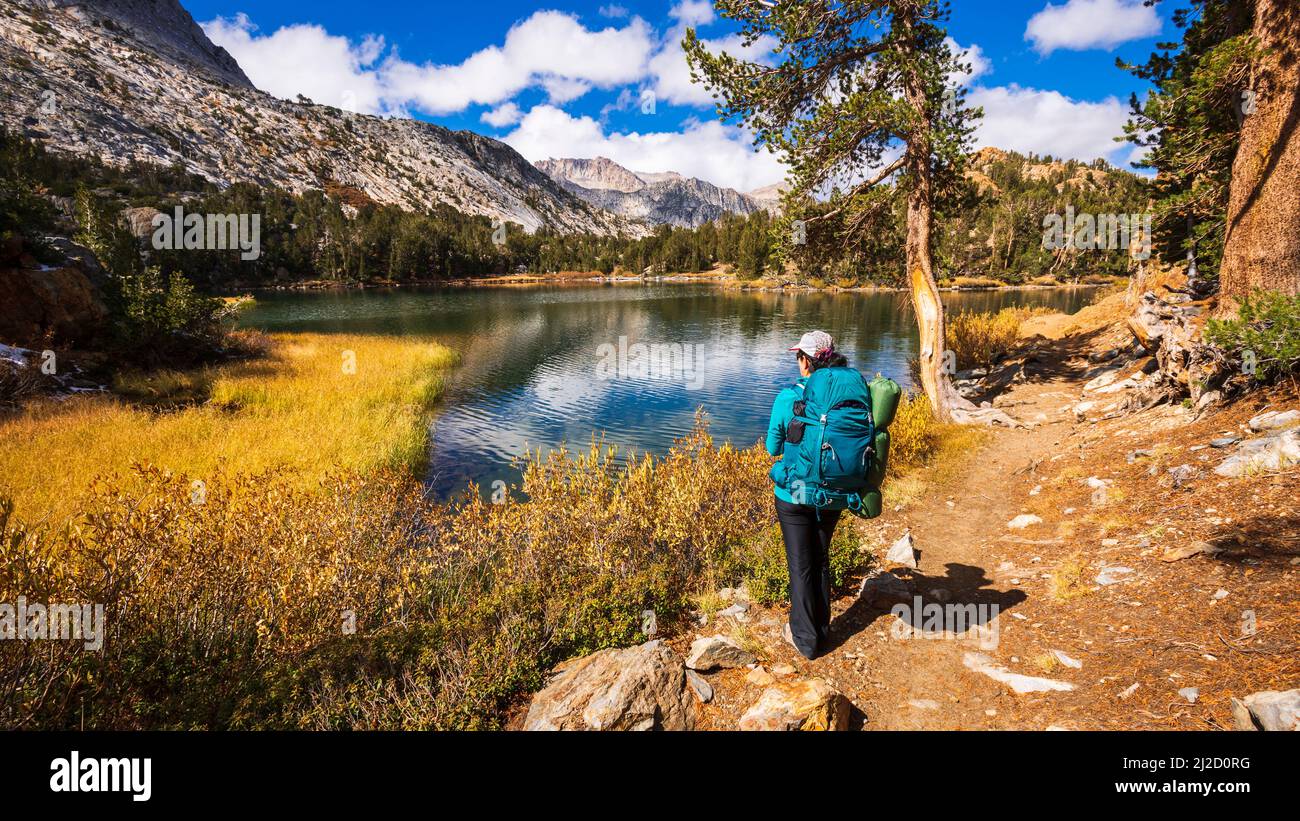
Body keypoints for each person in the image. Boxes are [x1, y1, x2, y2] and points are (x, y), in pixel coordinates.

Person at [765, 330, 850, 660]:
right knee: (820, 557)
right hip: (832, 492)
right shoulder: (845, 396)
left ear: (805, 361)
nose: (797, 362)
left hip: (795, 495)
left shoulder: (789, 398)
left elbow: (773, 447)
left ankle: (806, 640)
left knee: (801, 565)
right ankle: (822, 630)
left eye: (798, 356)